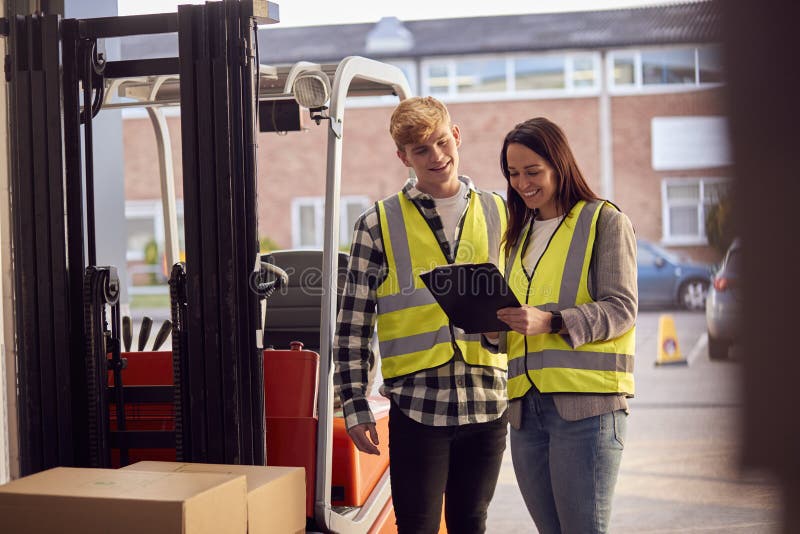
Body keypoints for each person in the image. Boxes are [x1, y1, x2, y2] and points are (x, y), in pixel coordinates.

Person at [333, 96, 509, 534]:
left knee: (472, 523)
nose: (437, 156)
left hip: (488, 402)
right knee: (417, 527)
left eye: (442, 141)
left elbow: (526, 304)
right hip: (418, 407)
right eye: (421, 150)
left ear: (457, 135)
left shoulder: (501, 212)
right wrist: (355, 405)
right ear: (403, 157)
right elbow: (353, 324)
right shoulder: (377, 223)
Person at [495, 117, 637, 534]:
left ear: (560, 164)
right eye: (513, 173)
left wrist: (553, 321)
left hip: (585, 410)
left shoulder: (604, 221)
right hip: (525, 411)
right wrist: (495, 331)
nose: (522, 183)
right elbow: (523, 327)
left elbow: (622, 308)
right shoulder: (519, 235)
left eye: (533, 171)